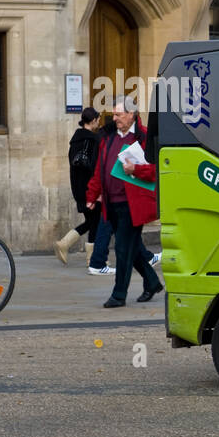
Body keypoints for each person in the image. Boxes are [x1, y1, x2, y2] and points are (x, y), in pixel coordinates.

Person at [85, 97, 164, 308]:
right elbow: (100, 170)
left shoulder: (145, 136)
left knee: (122, 247)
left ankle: (119, 295)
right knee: (132, 247)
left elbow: (157, 171)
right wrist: (92, 196)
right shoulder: (108, 138)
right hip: (112, 202)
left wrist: (135, 170)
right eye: (114, 115)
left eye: (119, 114)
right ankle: (153, 282)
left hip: (133, 204)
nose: (116, 118)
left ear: (132, 114)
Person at [55, 107, 102, 264]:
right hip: (89, 189)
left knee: (92, 221)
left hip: (78, 188)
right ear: (93, 121)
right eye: (98, 120)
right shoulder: (91, 140)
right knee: (95, 221)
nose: (99, 123)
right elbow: (92, 166)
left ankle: (65, 244)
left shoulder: (75, 141)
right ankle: (91, 259)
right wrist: (96, 190)